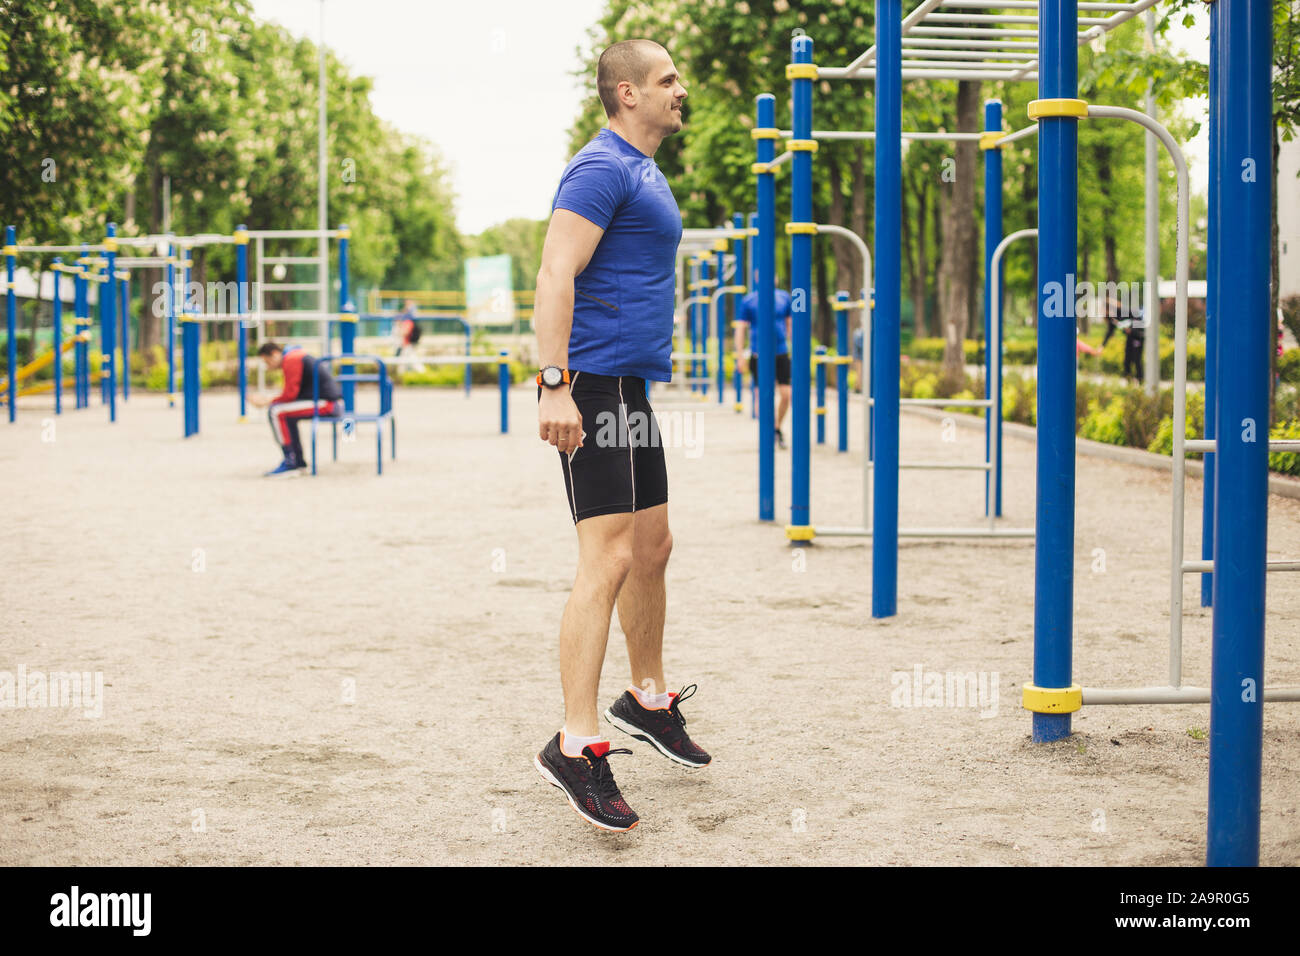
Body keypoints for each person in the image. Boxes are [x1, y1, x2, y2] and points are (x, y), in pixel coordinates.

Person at [532, 38, 708, 833]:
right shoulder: (601, 167)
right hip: (593, 386)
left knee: (653, 545)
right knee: (604, 557)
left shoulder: (644, 168)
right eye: (667, 80)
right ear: (626, 93)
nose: (681, 90)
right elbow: (554, 273)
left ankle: (645, 696)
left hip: (628, 387)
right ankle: (575, 744)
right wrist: (554, 383)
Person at [249, 342, 342, 478]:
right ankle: (298, 461)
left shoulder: (292, 359)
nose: (268, 367)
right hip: (327, 402)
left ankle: (291, 462)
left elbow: (290, 394)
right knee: (283, 413)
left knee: (276, 412)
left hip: (328, 404)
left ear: (274, 354)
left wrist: (265, 401)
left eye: (267, 361)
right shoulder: (294, 355)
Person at [734, 269, 793, 448]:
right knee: (762, 396)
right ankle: (768, 431)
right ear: (757, 278)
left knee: (786, 395)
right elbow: (741, 329)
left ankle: (776, 427)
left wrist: (794, 347)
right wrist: (739, 355)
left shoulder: (784, 297)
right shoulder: (749, 301)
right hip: (759, 354)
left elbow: (790, 324)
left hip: (781, 352)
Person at [394, 299, 425, 372]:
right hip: (406, 345)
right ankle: (401, 375)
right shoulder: (407, 319)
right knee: (404, 362)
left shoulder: (408, 320)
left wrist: (399, 328)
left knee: (413, 361)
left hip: (408, 344)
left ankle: (422, 373)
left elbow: (405, 333)